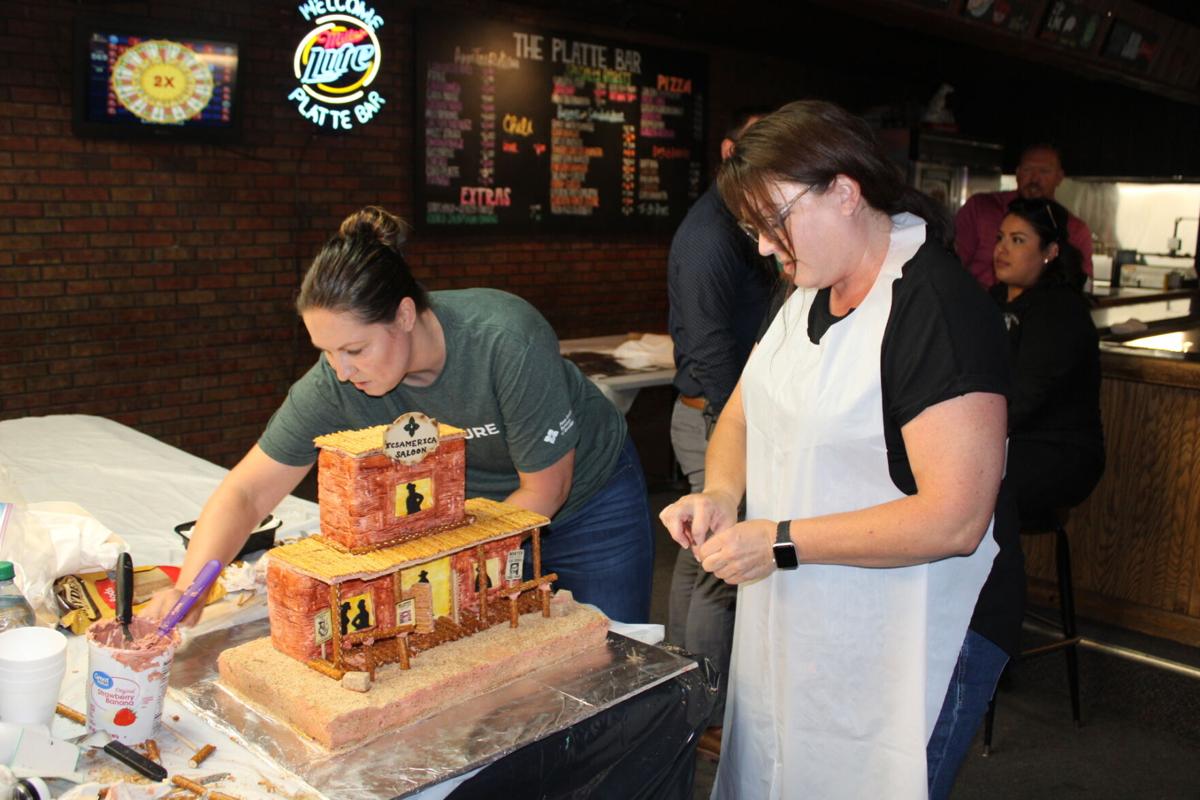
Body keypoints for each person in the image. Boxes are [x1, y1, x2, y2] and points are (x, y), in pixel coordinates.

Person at [658, 100, 1023, 799]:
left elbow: (956, 518)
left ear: (845, 191)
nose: (764, 247)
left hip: (919, 624)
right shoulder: (803, 291)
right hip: (813, 612)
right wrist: (722, 494)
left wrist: (783, 542)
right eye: (751, 230)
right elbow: (740, 411)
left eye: (773, 222)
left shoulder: (934, 307)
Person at [148, 206, 654, 625]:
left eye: (354, 350)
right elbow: (247, 490)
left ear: (406, 315)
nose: (342, 372)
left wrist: (432, 566)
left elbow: (546, 490)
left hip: (588, 501)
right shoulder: (336, 381)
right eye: (327, 353)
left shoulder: (505, 340)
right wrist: (192, 587)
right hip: (474, 517)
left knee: (609, 648)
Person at [665, 106, 776, 744]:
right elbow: (709, 348)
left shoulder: (738, 223)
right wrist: (737, 430)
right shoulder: (712, 233)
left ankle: (682, 692)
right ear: (731, 150)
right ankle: (705, 715)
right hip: (713, 415)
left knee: (695, 560)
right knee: (717, 566)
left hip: (712, 412)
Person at [992, 197, 1105, 515]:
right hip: (1001, 438)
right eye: (1000, 238)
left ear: (1050, 252)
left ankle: (1000, 566)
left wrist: (969, 433)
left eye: (1018, 240)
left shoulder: (1060, 310)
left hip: (1055, 450)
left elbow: (1027, 396)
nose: (1002, 249)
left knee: (959, 479)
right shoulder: (993, 299)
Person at [955, 143, 1094, 289]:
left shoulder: (1074, 228)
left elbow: (1082, 286)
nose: (1034, 178)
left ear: (1059, 177)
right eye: (1028, 170)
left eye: (1044, 171)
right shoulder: (981, 208)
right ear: (1018, 173)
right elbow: (952, 264)